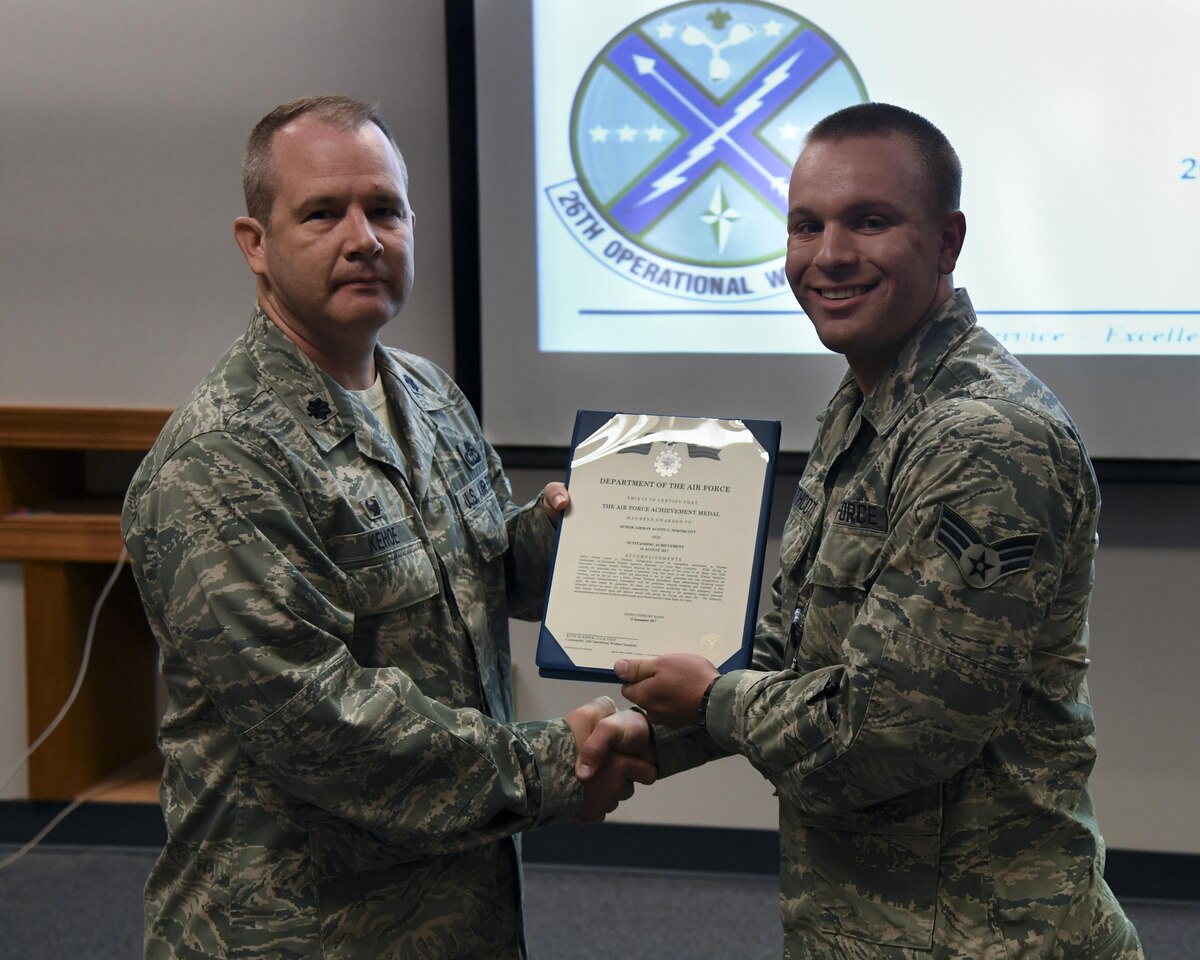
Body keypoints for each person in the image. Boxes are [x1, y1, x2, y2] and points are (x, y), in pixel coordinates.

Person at [593, 103, 1143, 957]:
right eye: (806, 225)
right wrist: (657, 733)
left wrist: (708, 701)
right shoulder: (869, 405)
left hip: (980, 935)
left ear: (947, 242)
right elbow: (790, 658)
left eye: (870, 221)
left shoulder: (982, 437)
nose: (829, 255)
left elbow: (887, 730)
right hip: (869, 922)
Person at [122, 95, 654, 960]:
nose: (364, 238)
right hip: (300, 930)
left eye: (386, 209)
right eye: (324, 212)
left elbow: (483, 578)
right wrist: (558, 764)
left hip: (458, 907)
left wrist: (577, 537)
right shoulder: (222, 459)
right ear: (254, 244)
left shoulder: (429, 395)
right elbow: (322, 726)